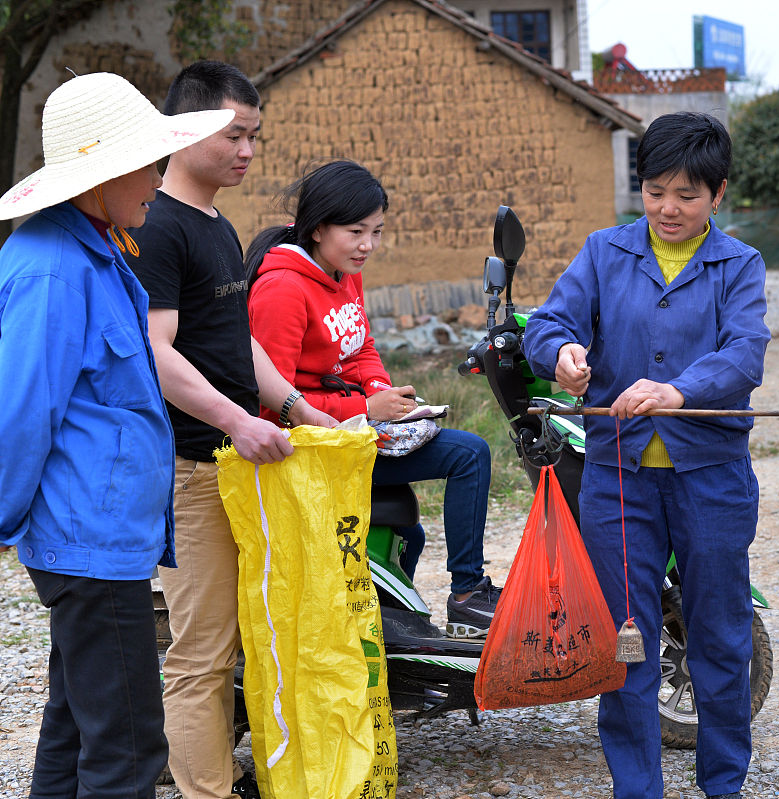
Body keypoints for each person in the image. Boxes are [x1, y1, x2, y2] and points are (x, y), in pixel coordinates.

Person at [0, 72, 237, 799]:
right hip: (87, 542)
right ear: (100, 174)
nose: (159, 179)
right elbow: (20, 412)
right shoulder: (52, 268)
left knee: (77, 729)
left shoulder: (96, 247)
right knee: (130, 748)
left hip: (103, 538)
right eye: (147, 163)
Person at [523, 112, 769, 799]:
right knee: (624, 640)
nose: (667, 208)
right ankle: (638, 788)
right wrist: (563, 356)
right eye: (655, 191)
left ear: (718, 195)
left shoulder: (739, 265)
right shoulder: (604, 252)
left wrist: (678, 389)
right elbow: (549, 324)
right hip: (618, 481)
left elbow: (744, 353)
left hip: (712, 480)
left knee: (719, 638)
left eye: (687, 195)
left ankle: (723, 783)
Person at [126, 61, 335, 799]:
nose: (248, 151)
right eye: (233, 135)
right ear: (182, 133)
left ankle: (226, 771)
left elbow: (236, 337)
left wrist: (295, 407)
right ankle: (204, 791)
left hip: (238, 459)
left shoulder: (217, 221)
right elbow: (157, 354)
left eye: (255, 136)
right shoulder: (155, 223)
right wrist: (236, 420)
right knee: (202, 651)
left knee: (256, 633)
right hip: (193, 467)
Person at [243, 159, 502, 636]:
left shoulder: (343, 271)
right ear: (318, 229)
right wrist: (364, 409)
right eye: (356, 231)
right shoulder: (281, 290)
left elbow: (360, 347)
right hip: (310, 444)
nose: (368, 246)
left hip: (354, 430)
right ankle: (468, 592)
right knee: (470, 454)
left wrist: (385, 395)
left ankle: (396, 629)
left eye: (377, 232)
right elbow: (270, 403)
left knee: (410, 532)